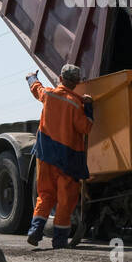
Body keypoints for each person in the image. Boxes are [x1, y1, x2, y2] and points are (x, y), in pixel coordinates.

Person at [25, 64, 94, 248]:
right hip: (67, 159)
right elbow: (85, 127)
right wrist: (89, 108)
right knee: (66, 198)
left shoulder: (48, 95)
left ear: (61, 79)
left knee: (45, 194)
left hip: (45, 154)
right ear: (77, 83)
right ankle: (60, 239)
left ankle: (35, 230)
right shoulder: (76, 103)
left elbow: (36, 88)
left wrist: (32, 77)